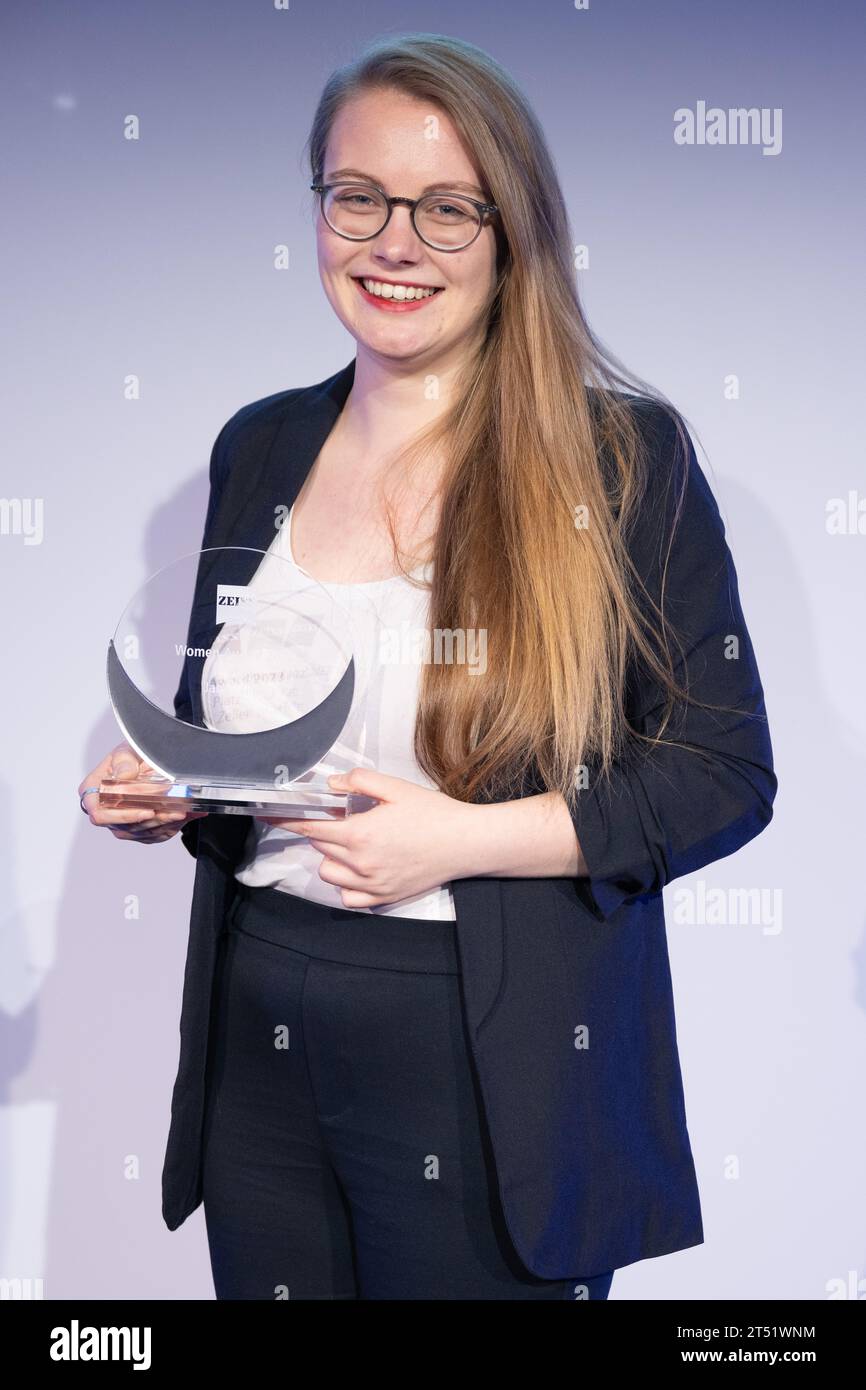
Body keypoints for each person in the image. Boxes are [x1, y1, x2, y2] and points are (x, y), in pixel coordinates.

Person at [79, 32, 777, 1300]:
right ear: (319, 209)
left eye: (447, 209)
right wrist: (172, 791)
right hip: (260, 1044)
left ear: (512, 234)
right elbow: (234, 731)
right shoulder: (261, 443)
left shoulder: (619, 459)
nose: (394, 244)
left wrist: (460, 837)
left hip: (481, 1056)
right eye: (360, 198)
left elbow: (722, 775)